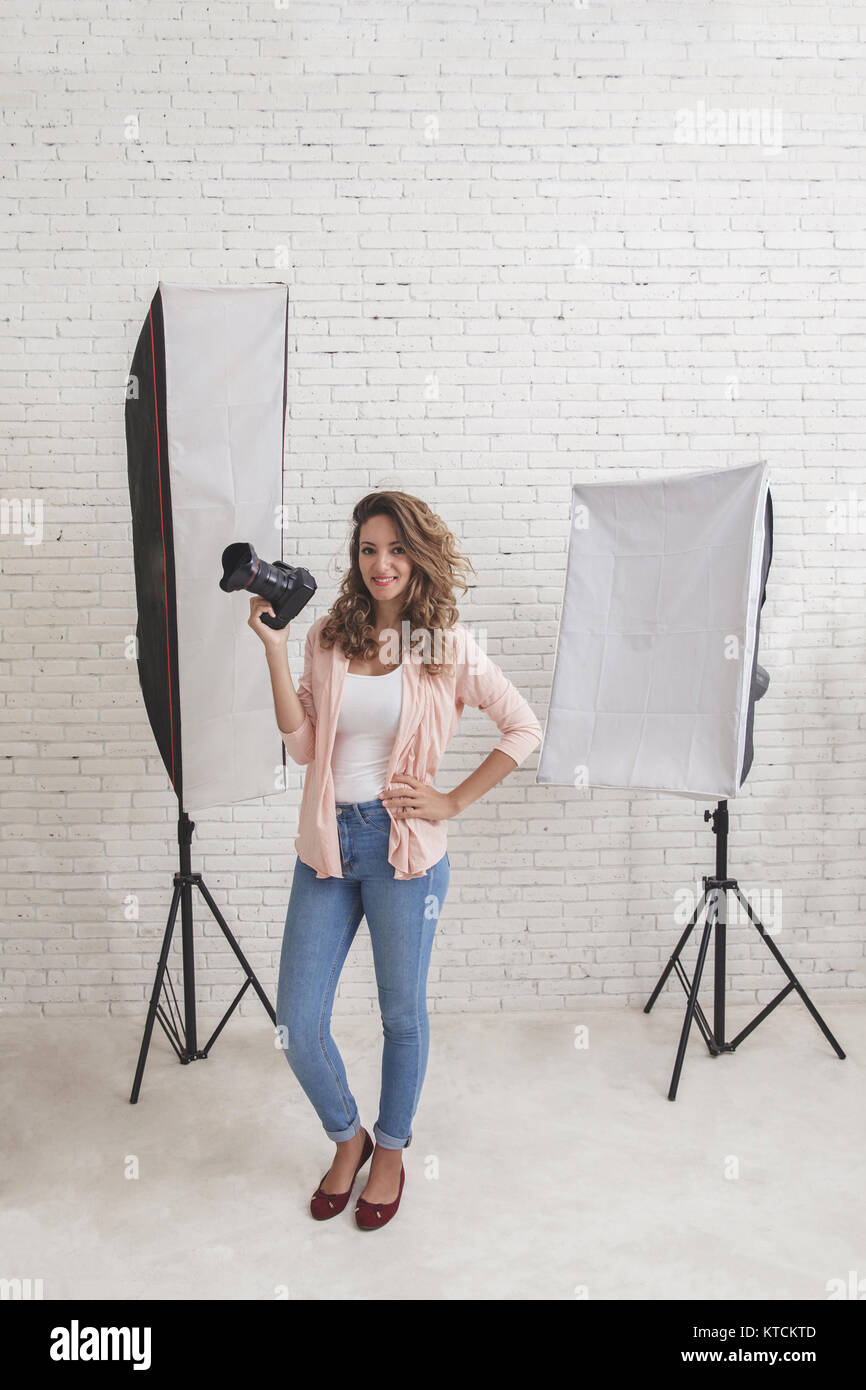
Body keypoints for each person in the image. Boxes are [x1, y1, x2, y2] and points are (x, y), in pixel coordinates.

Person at [250, 490, 542, 1230]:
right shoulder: (327, 637)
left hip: (403, 850)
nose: (381, 564)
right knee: (297, 1020)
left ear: (418, 556)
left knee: (401, 1016)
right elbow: (307, 745)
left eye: (395, 549)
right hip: (328, 843)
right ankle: (346, 1136)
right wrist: (275, 653)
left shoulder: (442, 646)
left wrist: (451, 801)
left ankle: (391, 1150)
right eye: (368, 550)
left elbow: (522, 727)